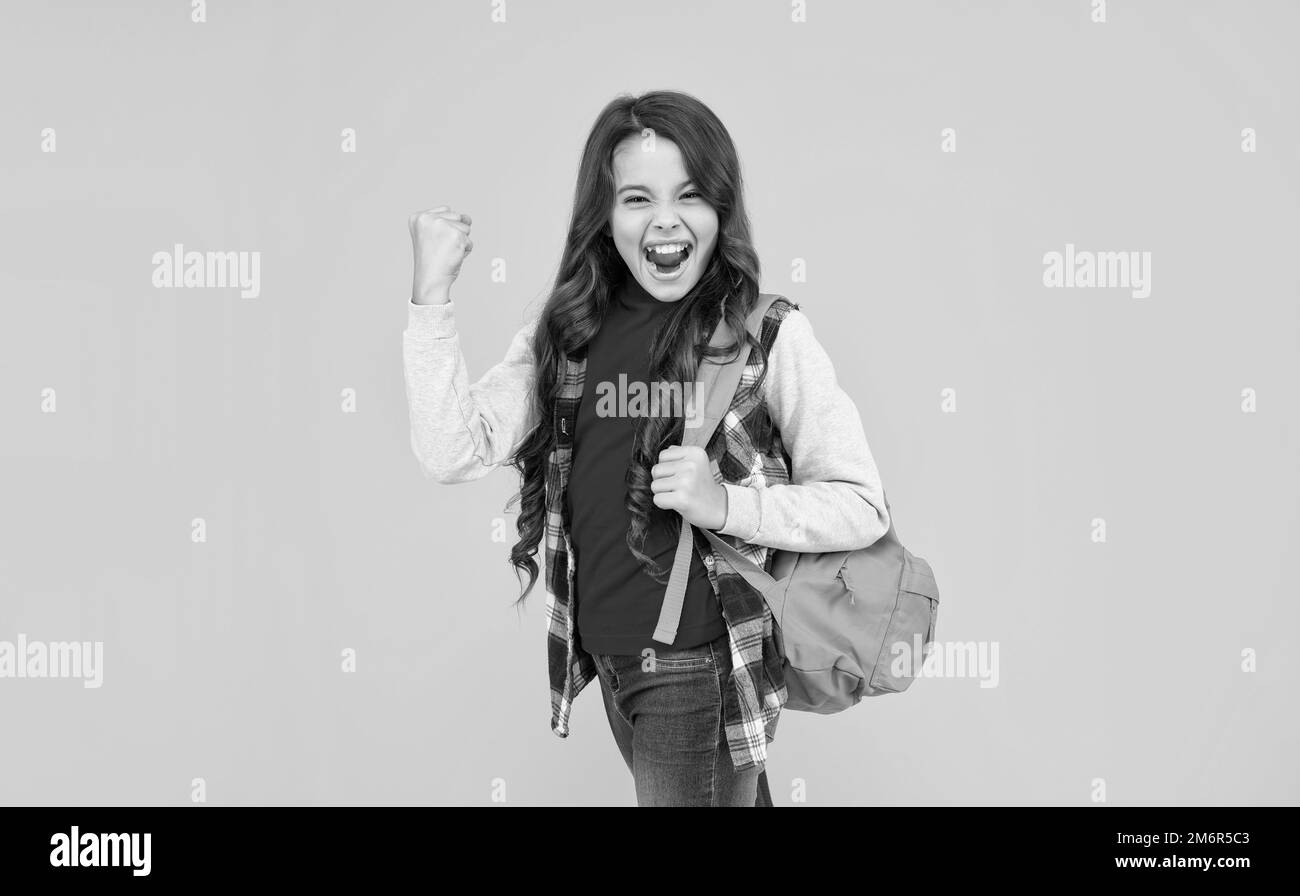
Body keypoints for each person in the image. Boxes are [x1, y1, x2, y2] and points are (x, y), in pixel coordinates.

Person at [403, 90, 890, 806]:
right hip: (610, 659)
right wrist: (431, 298)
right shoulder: (569, 334)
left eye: (690, 195)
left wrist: (725, 504)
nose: (664, 218)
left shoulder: (766, 335)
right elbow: (453, 451)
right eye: (637, 198)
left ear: (721, 210)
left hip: (696, 664)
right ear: (605, 217)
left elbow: (861, 506)